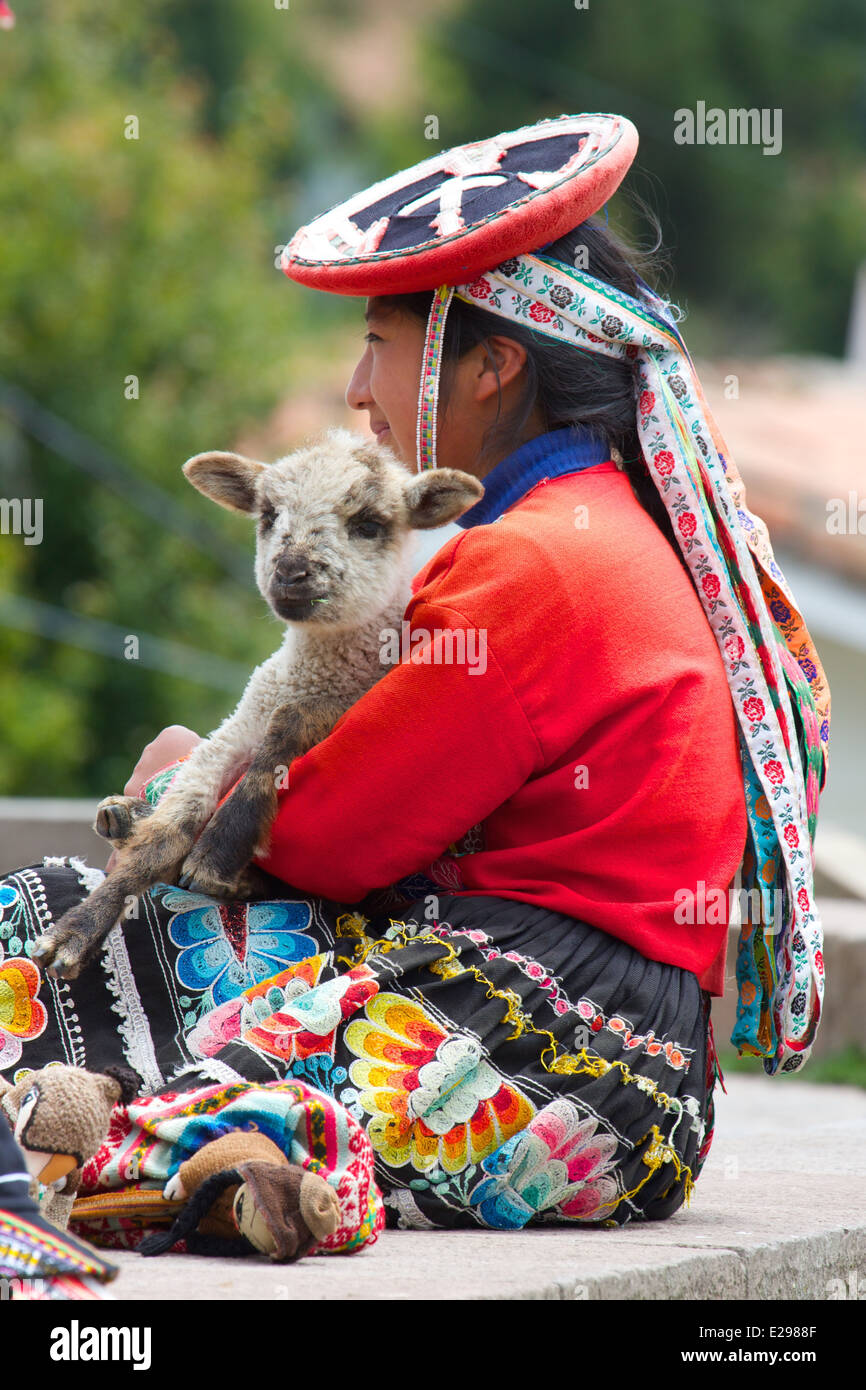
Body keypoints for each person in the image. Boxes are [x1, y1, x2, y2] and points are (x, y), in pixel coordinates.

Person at [0, 114, 829, 1236]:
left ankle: (215, 1148)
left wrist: (178, 782)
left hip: (543, 1045)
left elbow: (332, 835)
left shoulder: (532, 562)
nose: (355, 386)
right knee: (68, 922)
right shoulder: (587, 526)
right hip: (634, 1083)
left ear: (490, 367)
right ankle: (193, 1155)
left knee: (56, 930)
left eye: (379, 341)